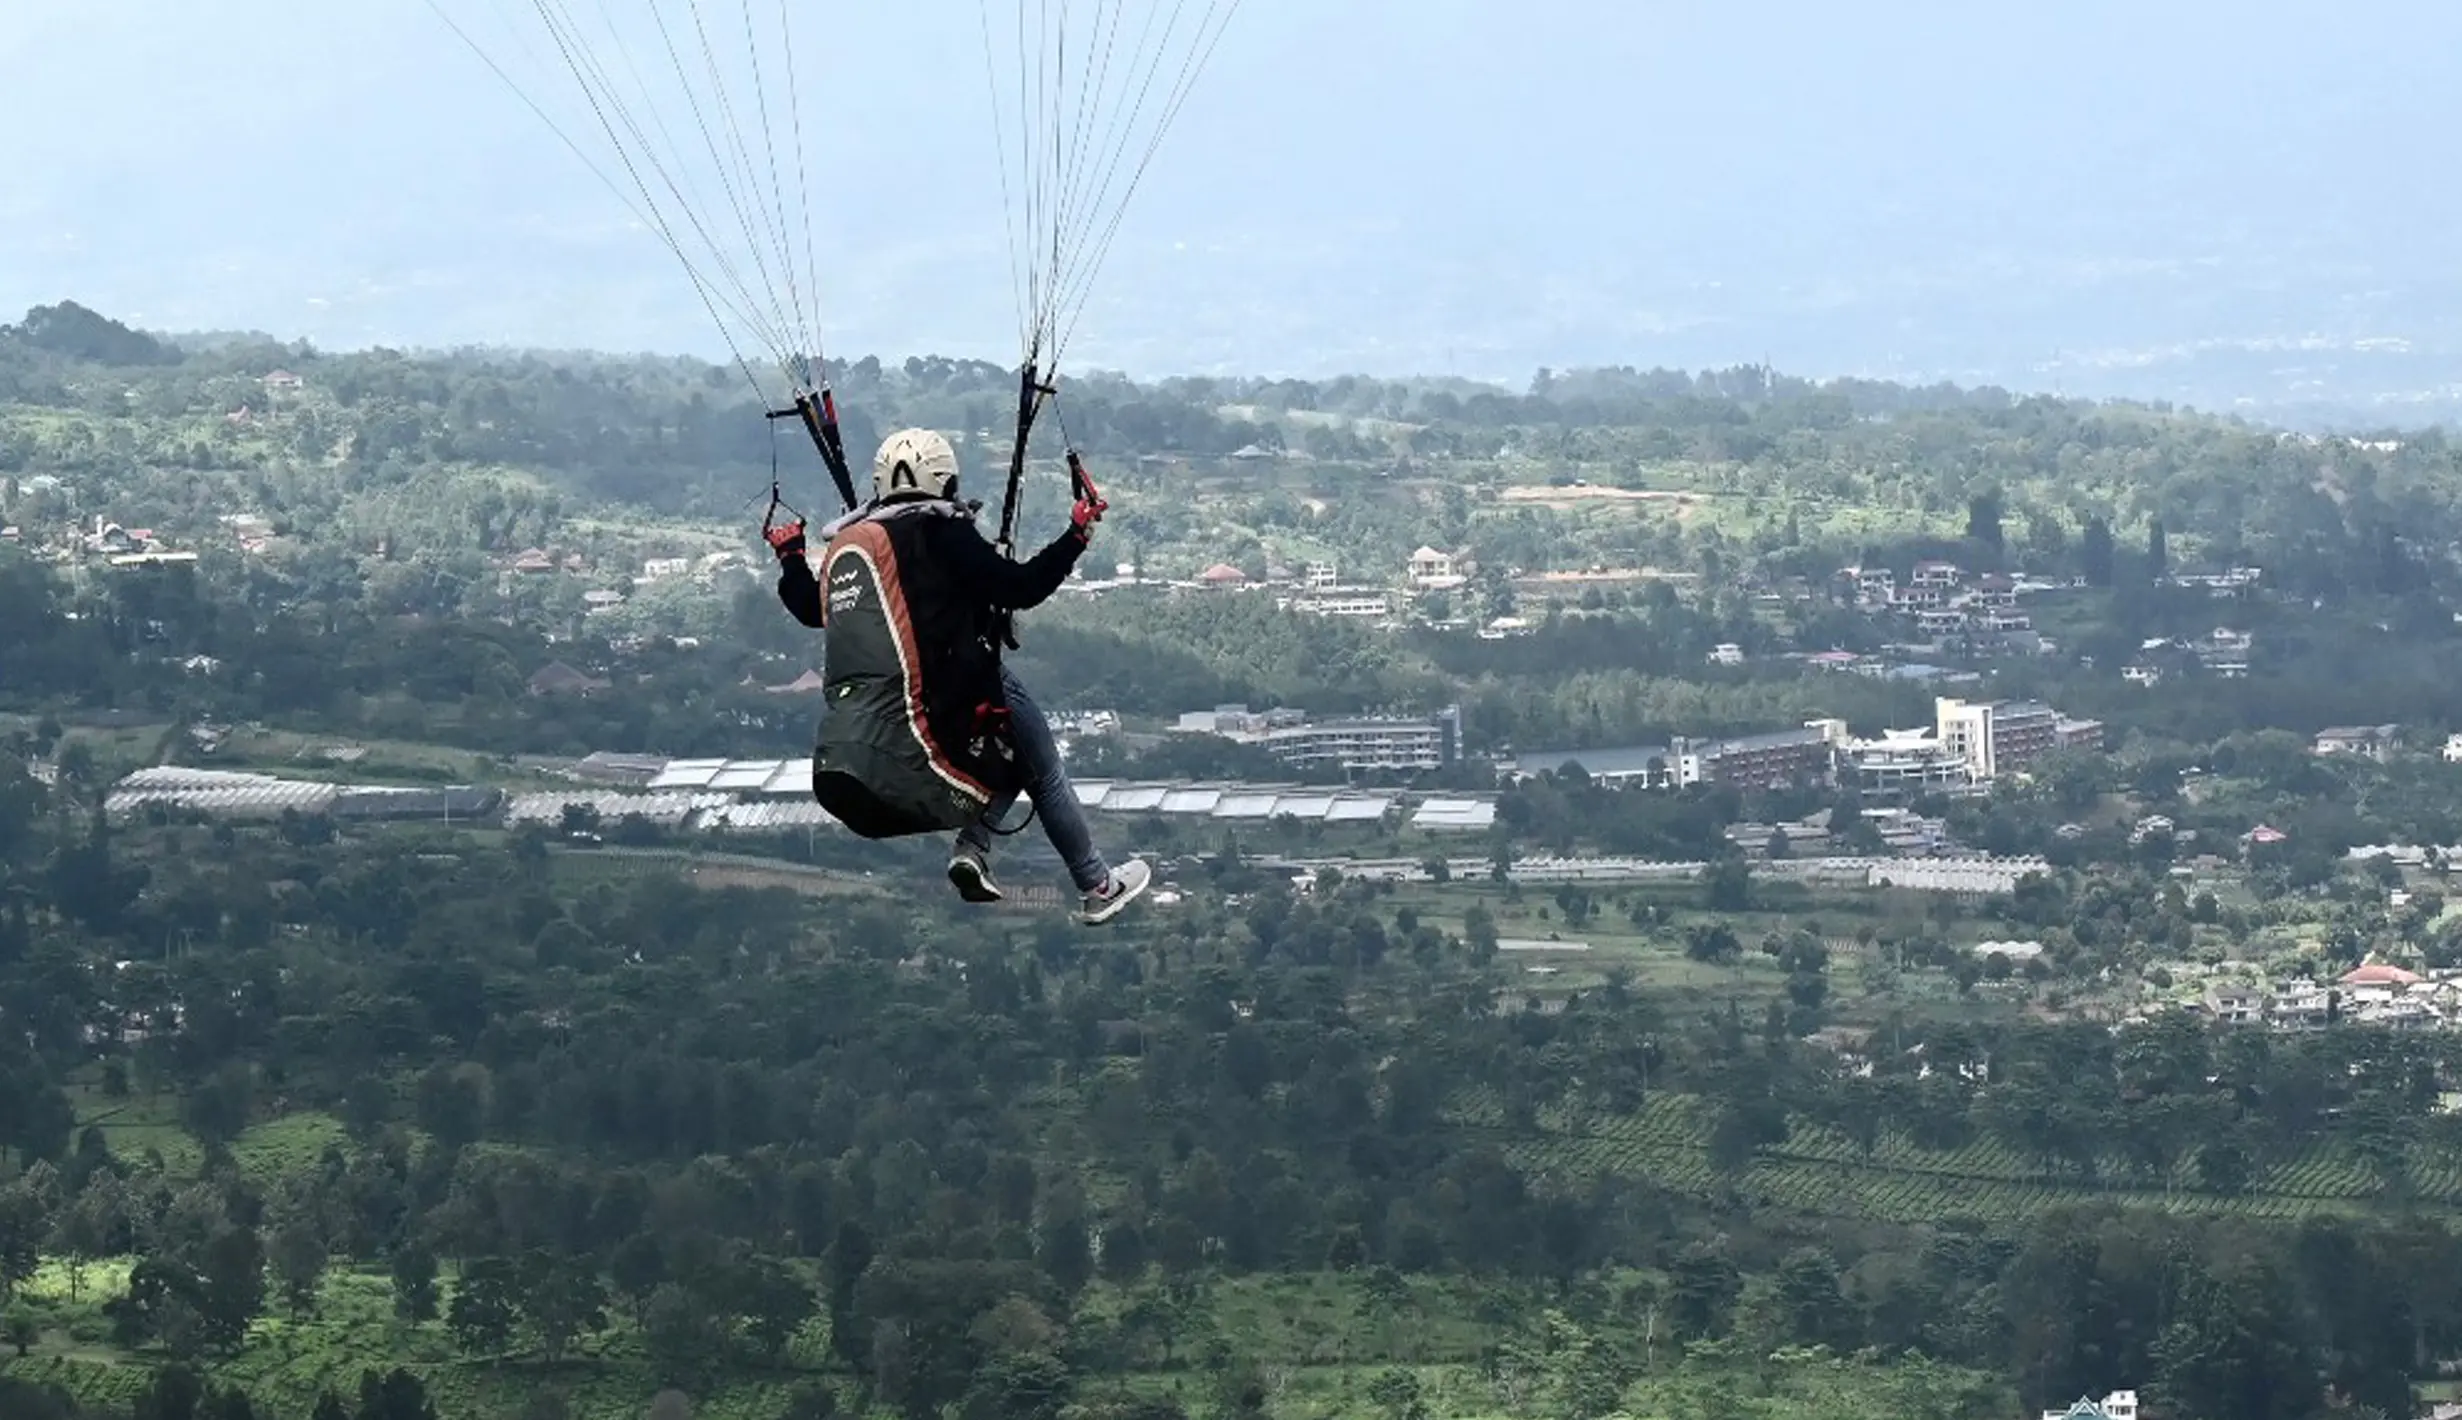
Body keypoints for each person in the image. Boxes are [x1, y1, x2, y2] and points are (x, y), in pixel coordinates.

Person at [765, 427, 1153, 925]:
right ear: (945, 479)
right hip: (963, 692)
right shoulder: (942, 530)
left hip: (906, 707)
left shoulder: (857, 541)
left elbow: (811, 607)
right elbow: (1019, 587)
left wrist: (791, 556)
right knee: (1045, 771)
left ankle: (974, 846)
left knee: (1015, 761)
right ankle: (1096, 884)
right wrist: (1076, 535)